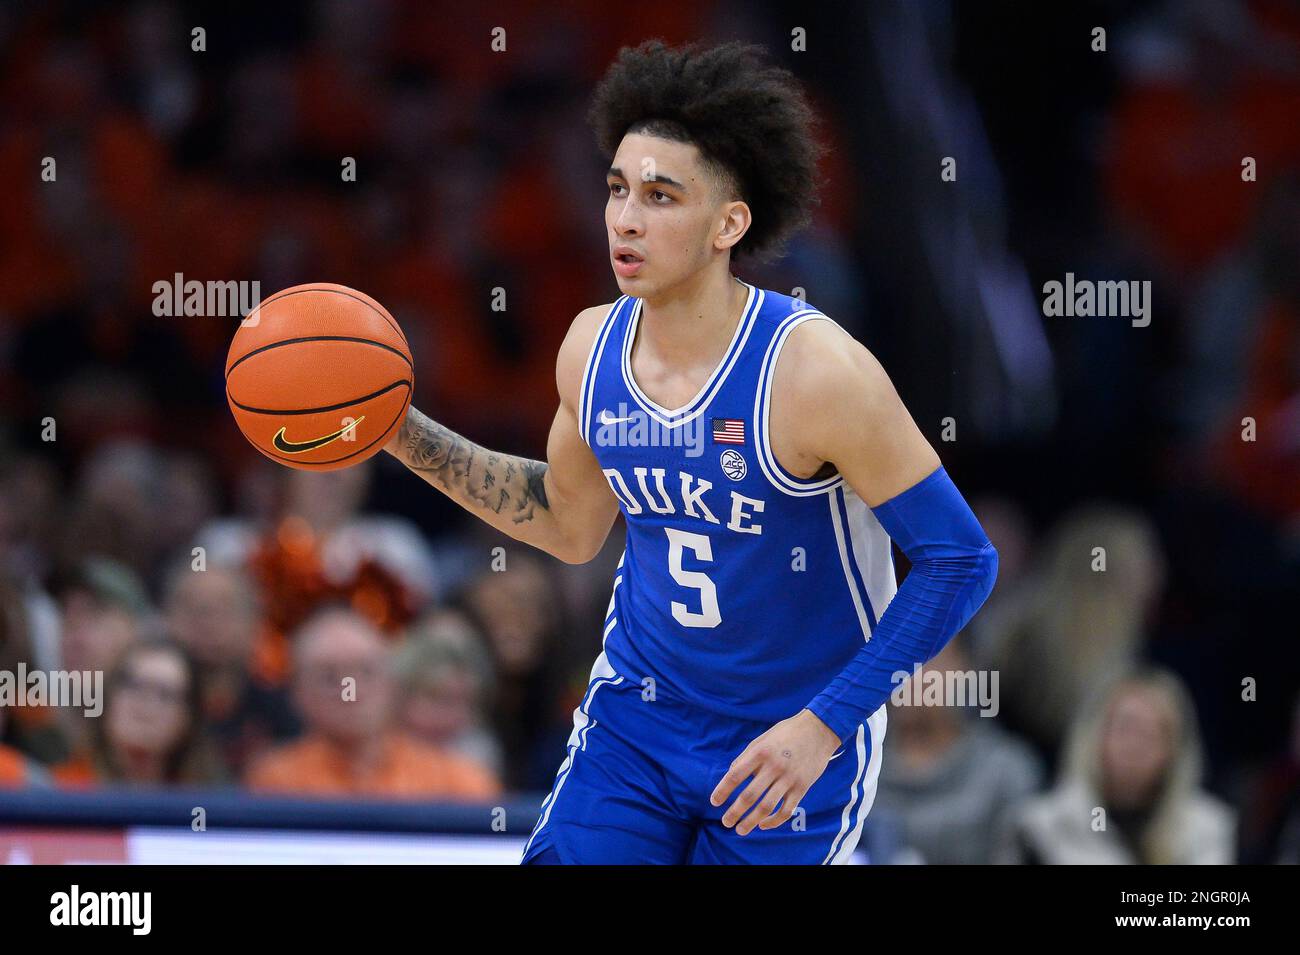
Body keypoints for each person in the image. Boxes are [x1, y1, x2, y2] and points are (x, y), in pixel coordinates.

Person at [383, 40, 997, 864]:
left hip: (786, 741)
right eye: (617, 189)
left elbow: (960, 560)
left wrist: (827, 724)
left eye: (661, 196)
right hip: (639, 718)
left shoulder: (815, 373)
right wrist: (400, 430)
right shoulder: (590, 347)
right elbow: (568, 524)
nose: (626, 218)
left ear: (728, 223)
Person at [245, 606, 500, 800]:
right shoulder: (273, 782)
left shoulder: (459, 782)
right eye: (329, 676)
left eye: (366, 672)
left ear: (392, 684)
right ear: (297, 694)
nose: (350, 691)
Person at [993, 669, 1234, 864]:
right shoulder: (1037, 828)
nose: (1136, 745)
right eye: (1126, 727)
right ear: (1097, 736)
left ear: (1175, 750)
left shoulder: (1207, 828)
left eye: (1154, 732)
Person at [53, 638, 222, 788]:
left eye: (165, 694)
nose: (146, 705)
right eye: (133, 685)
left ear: (188, 718)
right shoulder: (61, 791)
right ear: (108, 696)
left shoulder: (206, 808)